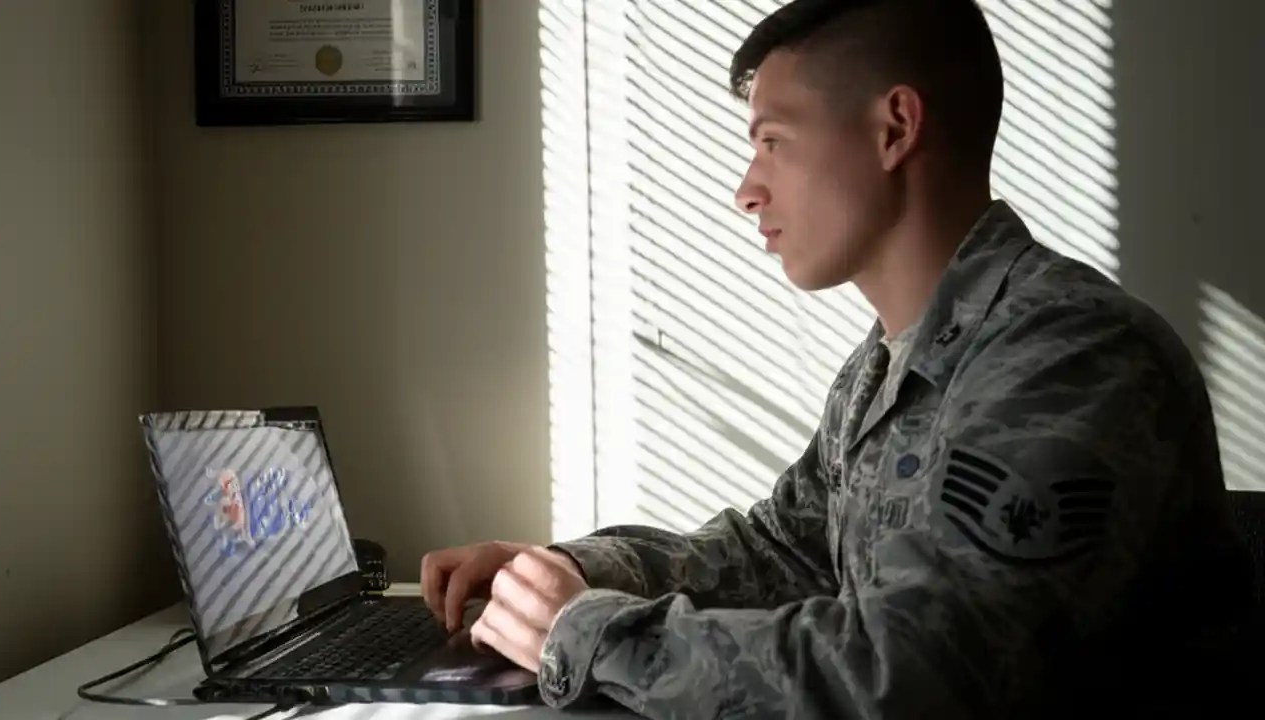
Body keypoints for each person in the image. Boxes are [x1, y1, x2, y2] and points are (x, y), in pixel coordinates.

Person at [421, 0, 1253, 716]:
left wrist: (590, 635)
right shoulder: (881, 368)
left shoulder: (1072, 359)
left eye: (773, 142)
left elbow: (913, 677)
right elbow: (782, 552)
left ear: (895, 129)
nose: (747, 190)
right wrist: (563, 572)